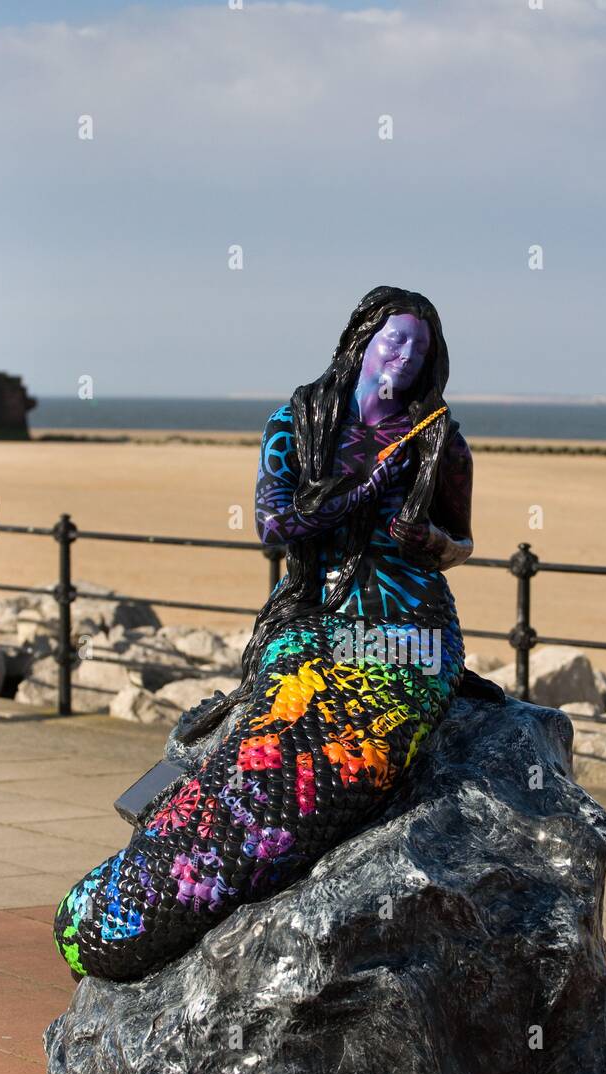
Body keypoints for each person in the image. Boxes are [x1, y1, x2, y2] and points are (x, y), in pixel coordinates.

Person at [53, 286, 474, 981]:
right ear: (360, 341)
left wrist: (425, 536)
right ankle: (128, 903)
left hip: (410, 628)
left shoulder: (438, 437)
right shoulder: (298, 421)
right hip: (313, 617)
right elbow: (275, 527)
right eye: (393, 337)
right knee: (271, 739)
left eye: (419, 346)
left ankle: (146, 908)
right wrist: (368, 488)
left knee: (359, 758)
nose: (404, 354)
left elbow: (460, 541)